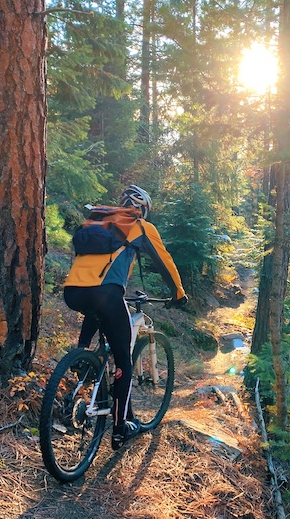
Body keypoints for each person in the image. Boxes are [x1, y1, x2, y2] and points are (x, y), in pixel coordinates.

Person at [63, 185, 188, 449]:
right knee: (123, 361)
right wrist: (178, 293)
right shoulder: (140, 225)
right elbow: (164, 261)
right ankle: (120, 430)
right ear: (143, 209)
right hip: (106, 293)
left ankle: (82, 357)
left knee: (97, 311)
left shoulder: (98, 221)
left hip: (73, 291)